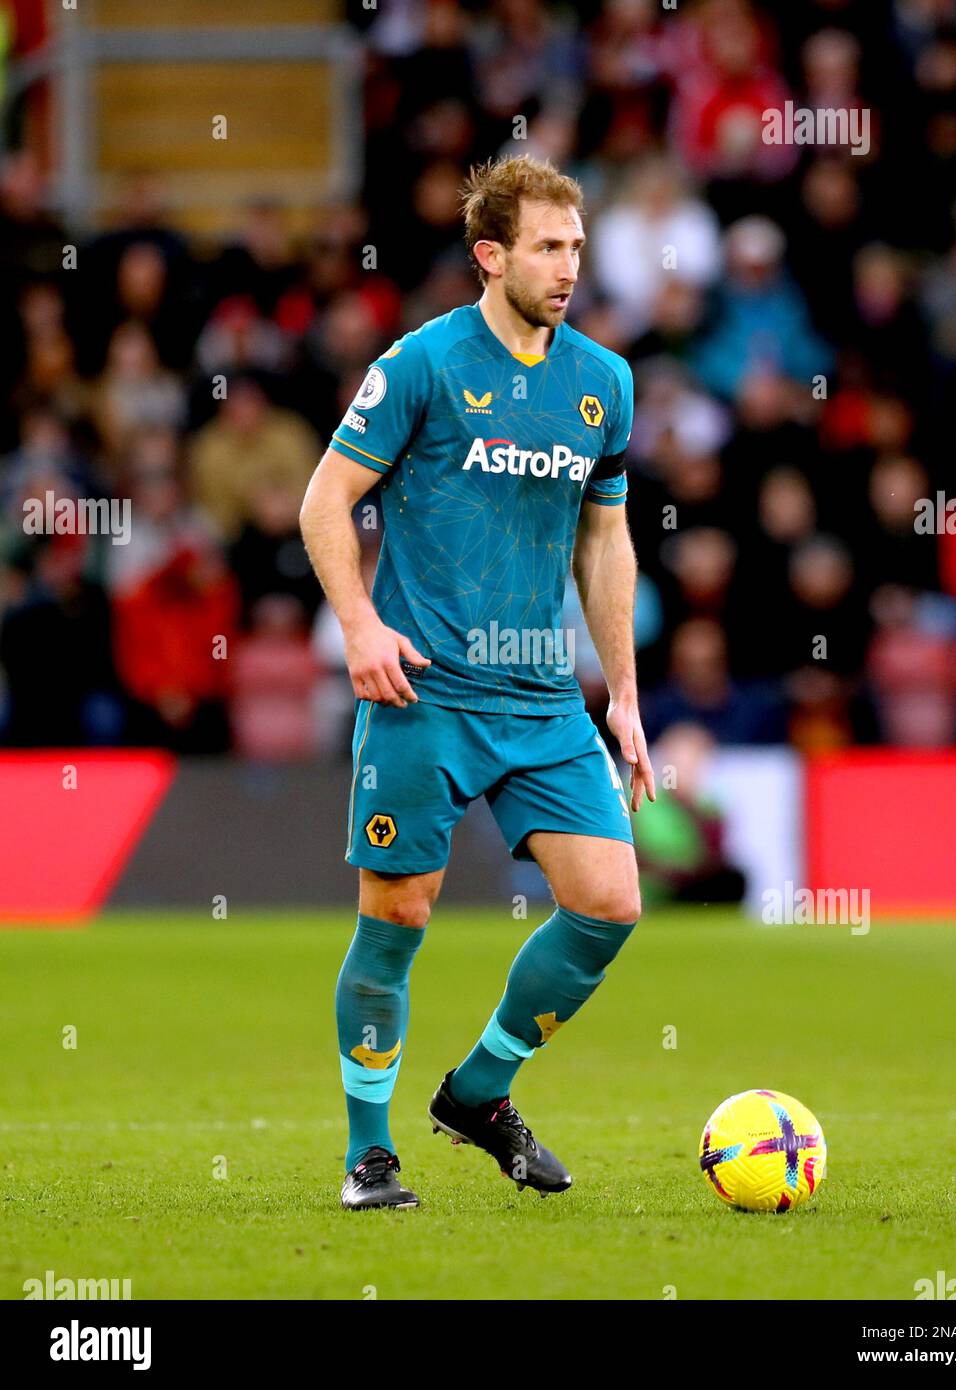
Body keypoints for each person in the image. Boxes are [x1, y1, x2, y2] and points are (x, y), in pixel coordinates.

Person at [300, 154, 655, 1210]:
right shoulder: (420, 364)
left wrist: (623, 691)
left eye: (577, 246)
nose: (568, 266)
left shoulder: (603, 382)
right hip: (426, 694)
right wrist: (360, 626)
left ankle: (479, 1091)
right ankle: (371, 1155)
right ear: (490, 255)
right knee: (397, 917)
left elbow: (605, 541)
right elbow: (326, 502)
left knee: (609, 903)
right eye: (547, 247)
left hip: (545, 701)